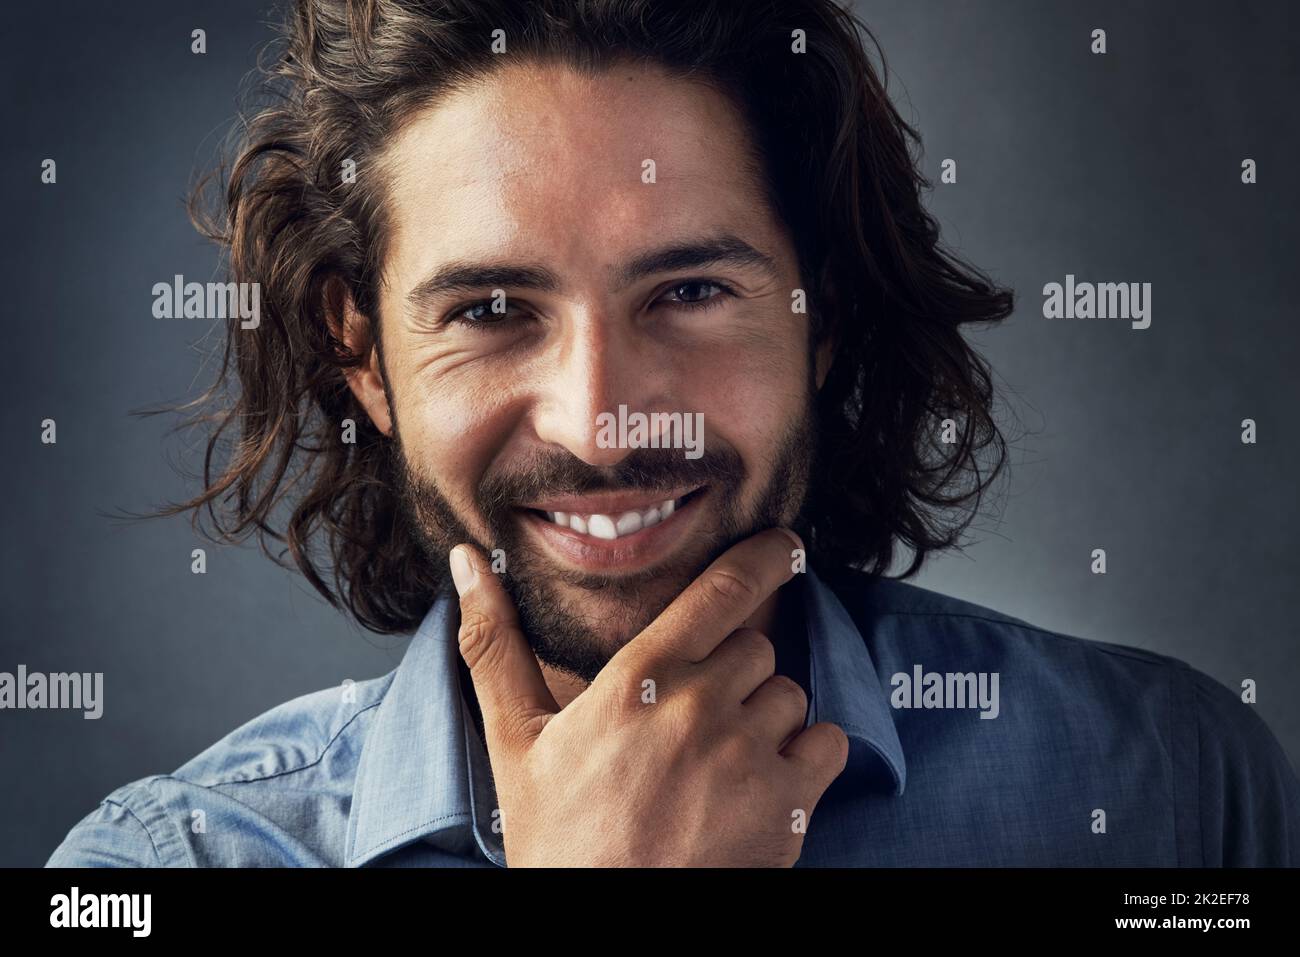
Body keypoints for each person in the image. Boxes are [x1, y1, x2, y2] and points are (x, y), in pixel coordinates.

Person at [48, 0, 1298, 867]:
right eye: (490, 310)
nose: (601, 421)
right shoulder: (167, 865)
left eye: (691, 293)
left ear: (822, 319)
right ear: (364, 357)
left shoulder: (1168, 791)